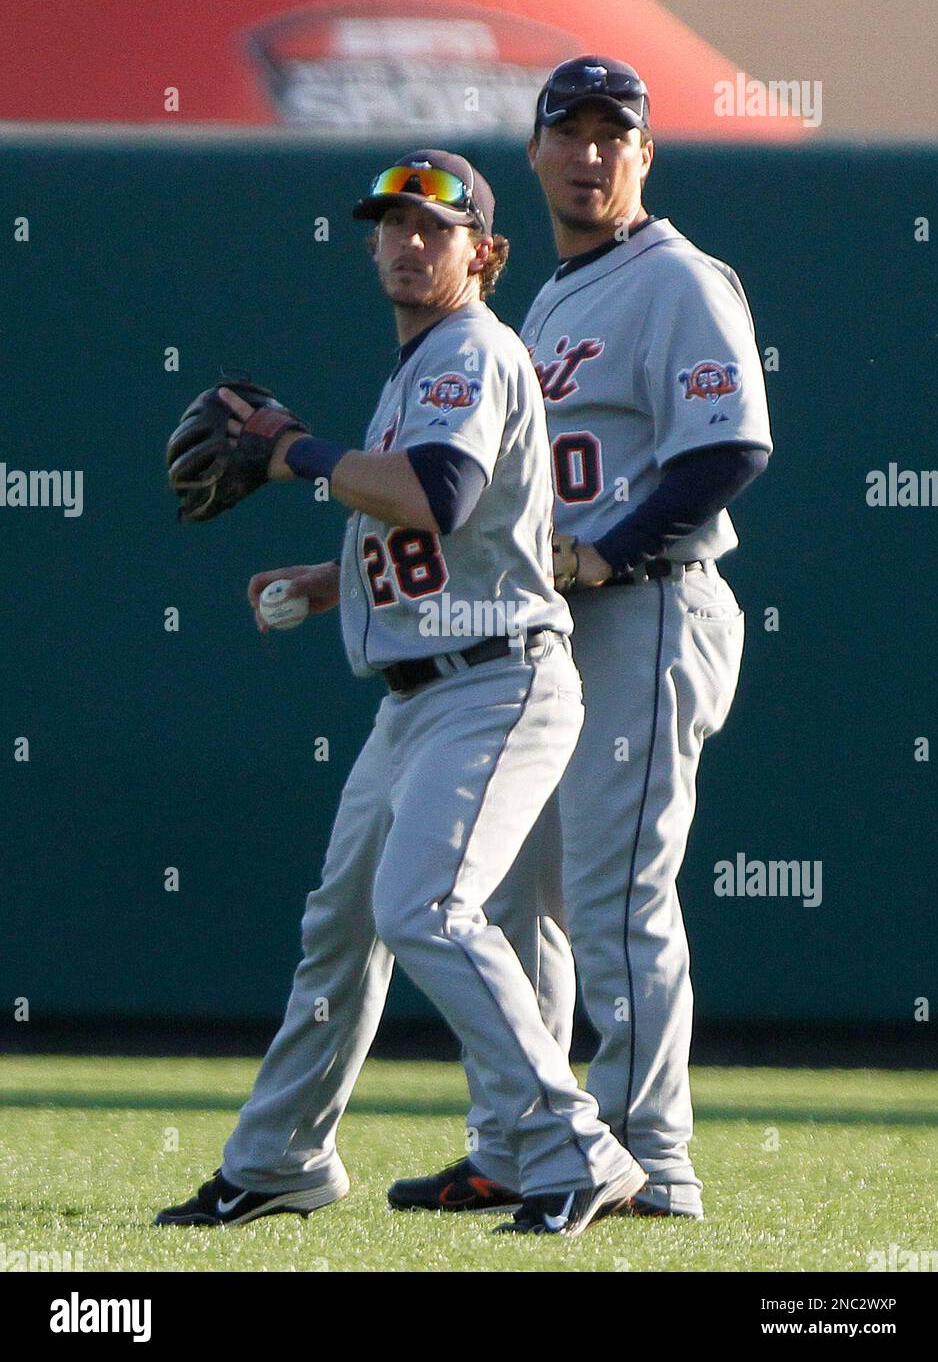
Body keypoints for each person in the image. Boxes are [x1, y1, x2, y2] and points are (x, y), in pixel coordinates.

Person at [154, 148, 646, 1238]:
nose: (412, 242)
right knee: (339, 930)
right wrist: (335, 580)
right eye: (393, 223)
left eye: (437, 226)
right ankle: (279, 1158)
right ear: (370, 241)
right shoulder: (418, 365)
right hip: (420, 691)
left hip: (497, 681)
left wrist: (291, 450)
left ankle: (576, 1146)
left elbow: (441, 492)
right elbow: (462, 529)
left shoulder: (469, 347)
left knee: (422, 907)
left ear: (485, 252)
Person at [389, 60, 772, 1222]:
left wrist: (611, 548)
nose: (592, 153)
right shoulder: (555, 296)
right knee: (518, 901)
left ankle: (652, 1160)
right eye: (573, 131)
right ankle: (520, 1143)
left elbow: (729, 445)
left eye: (617, 134)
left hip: (652, 605)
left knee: (615, 899)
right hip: (561, 631)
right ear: (537, 152)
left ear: (644, 155)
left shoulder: (677, 277)